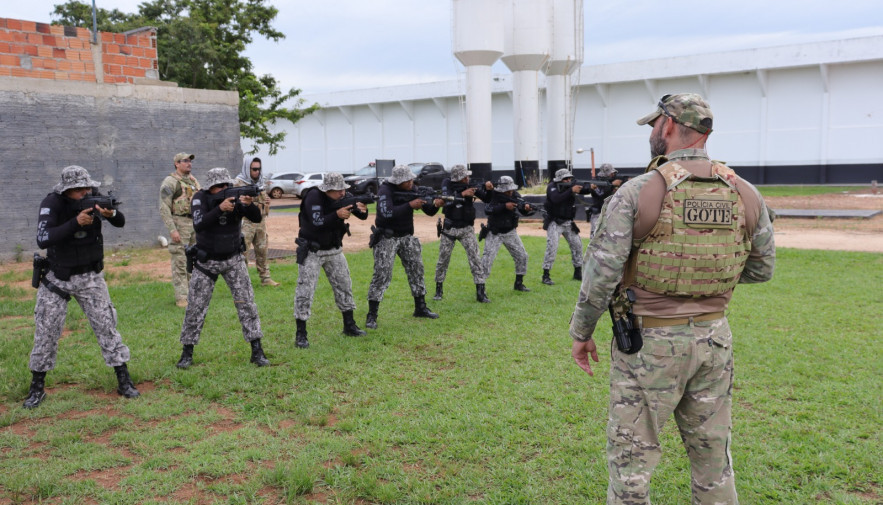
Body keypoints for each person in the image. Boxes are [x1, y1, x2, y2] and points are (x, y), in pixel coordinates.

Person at [569, 93, 776, 504]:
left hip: (649, 343)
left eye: (653, 126)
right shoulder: (744, 192)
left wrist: (582, 331)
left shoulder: (639, 191)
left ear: (667, 125)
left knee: (631, 459)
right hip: (715, 341)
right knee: (714, 459)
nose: (651, 133)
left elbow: (601, 275)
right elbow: (761, 268)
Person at [24, 166, 139, 408]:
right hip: (58, 277)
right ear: (68, 190)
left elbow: (121, 222)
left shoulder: (94, 197)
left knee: (106, 326)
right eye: (80, 190)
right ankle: (37, 387)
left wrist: (110, 214)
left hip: (90, 276)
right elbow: (43, 238)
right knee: (46, 332)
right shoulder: (52, 203)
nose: (86, 192)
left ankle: (123, 379)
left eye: (88, 187)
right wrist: (75, 222)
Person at [175, 168, 270, 369]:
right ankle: (187, 352)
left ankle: (257, 350)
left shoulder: (236, 198)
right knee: (195, 307)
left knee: (247, 304)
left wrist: (249, 205)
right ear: (210, 188)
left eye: (226, 186)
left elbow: (256, 218)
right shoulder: (200, 198)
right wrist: (220, 209)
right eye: (219, 187)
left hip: (233, 259)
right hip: (206, 261)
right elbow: (199, 224)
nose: (224, 189)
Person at [293, 172, 369, 349]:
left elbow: (361, 215)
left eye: (343, 189)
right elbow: (316, 221)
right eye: (337, 191)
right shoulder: (313, 196)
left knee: (344, 285)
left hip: (334, 249)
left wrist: (362, 208)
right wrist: (337, 214)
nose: (341, 193)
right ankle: (301, 334)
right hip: (313, 250)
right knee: (305, 290)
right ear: (327, 189)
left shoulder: (345, 196)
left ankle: (349, 325)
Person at [365, 164, 444, 329]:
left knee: (417, 271)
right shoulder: (385, 191)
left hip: (407, 236)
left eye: (411, 180)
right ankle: (372, 315)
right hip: (387, 237)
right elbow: (386, 213)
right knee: (382, 275)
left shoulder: (412, 188)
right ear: (398, 181)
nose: (411, 183)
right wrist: (409, 205)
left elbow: (428, 211)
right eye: (407, 181)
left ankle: (420, 308)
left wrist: (436, 204)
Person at [432, 164, 494, 303]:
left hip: (467, 228)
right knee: (443, 260)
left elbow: (487, 199)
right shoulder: (447, 184)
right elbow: (445, 200)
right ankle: (438, 290)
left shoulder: (470, 185)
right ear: (459, 178)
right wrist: (462, 194)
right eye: (465, 176)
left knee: (475, 260)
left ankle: (481, 292)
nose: (468, 178)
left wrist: (489, 190)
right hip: (450, 228)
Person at [477, 176, 533, 293]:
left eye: (511, 190)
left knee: (522, 256)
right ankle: (481, 289)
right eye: (508, 190)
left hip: (510, 232)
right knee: (487, 260)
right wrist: (504, 206)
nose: (510, 192)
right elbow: (488, 209)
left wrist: (526, 208)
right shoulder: (494, 195)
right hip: (494, 232)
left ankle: (519, 283)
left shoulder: (515, 195)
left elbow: (521, 206)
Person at [159, 152, 201, 307]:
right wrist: (172, 229)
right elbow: (163, 208)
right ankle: (182, 297)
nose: (189, 163)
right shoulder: (170, 182)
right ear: (177, 163)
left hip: (195, 224)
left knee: (195, 259)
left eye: (190, 161)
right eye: (185, 161)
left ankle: (194, 293)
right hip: (180, 223)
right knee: (180, 261)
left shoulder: (192, 180)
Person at [234, 156, 279, 286]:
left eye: (259, 169)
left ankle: (265, 278)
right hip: (245, 222)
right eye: (254, 169)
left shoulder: (260, 182)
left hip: (260, 221)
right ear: (247, 169)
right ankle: (243, 281)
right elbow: (236, 203)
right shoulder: (238, 183)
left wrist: (266, 202)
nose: (257, 172)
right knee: (243, 252)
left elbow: (263, 198)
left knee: (262, 250)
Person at [541, 168, 591, 285]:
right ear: (560, 179)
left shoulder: (570, 185)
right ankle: (546, 275)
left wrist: (590, 187)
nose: (569, 180)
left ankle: (578, 272)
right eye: (566, 179)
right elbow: (556, 199)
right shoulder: (552, 186)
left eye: (569, 178)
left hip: (568, 222)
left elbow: (584, 190)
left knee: (577, 246)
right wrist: (571, 190)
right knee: (552, 247)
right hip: (555, 222)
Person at [587, 163, 623, 238]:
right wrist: (612, 185)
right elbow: (600, 194)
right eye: (611, 173)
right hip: (598, 213)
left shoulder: (610, 181)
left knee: (612, 237)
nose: (613, 175)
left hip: (610, 213)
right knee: (595, 237)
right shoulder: (596, 181)